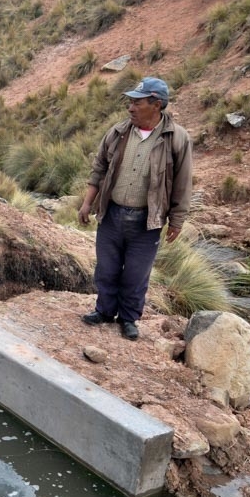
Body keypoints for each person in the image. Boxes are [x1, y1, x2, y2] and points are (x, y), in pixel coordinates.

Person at [77, 77, 193, 340]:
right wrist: (87, 203)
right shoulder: (117, 132)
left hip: (146, 221)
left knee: (136, 275)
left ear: (157, 104)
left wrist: (177, 220)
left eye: (137, 103)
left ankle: (128, 319)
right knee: (106, 268)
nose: (130, 107)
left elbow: (183, 183)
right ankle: (104, 311)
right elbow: (99, 169)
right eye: (130, 102)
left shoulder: (177, 138)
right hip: (112, 213)